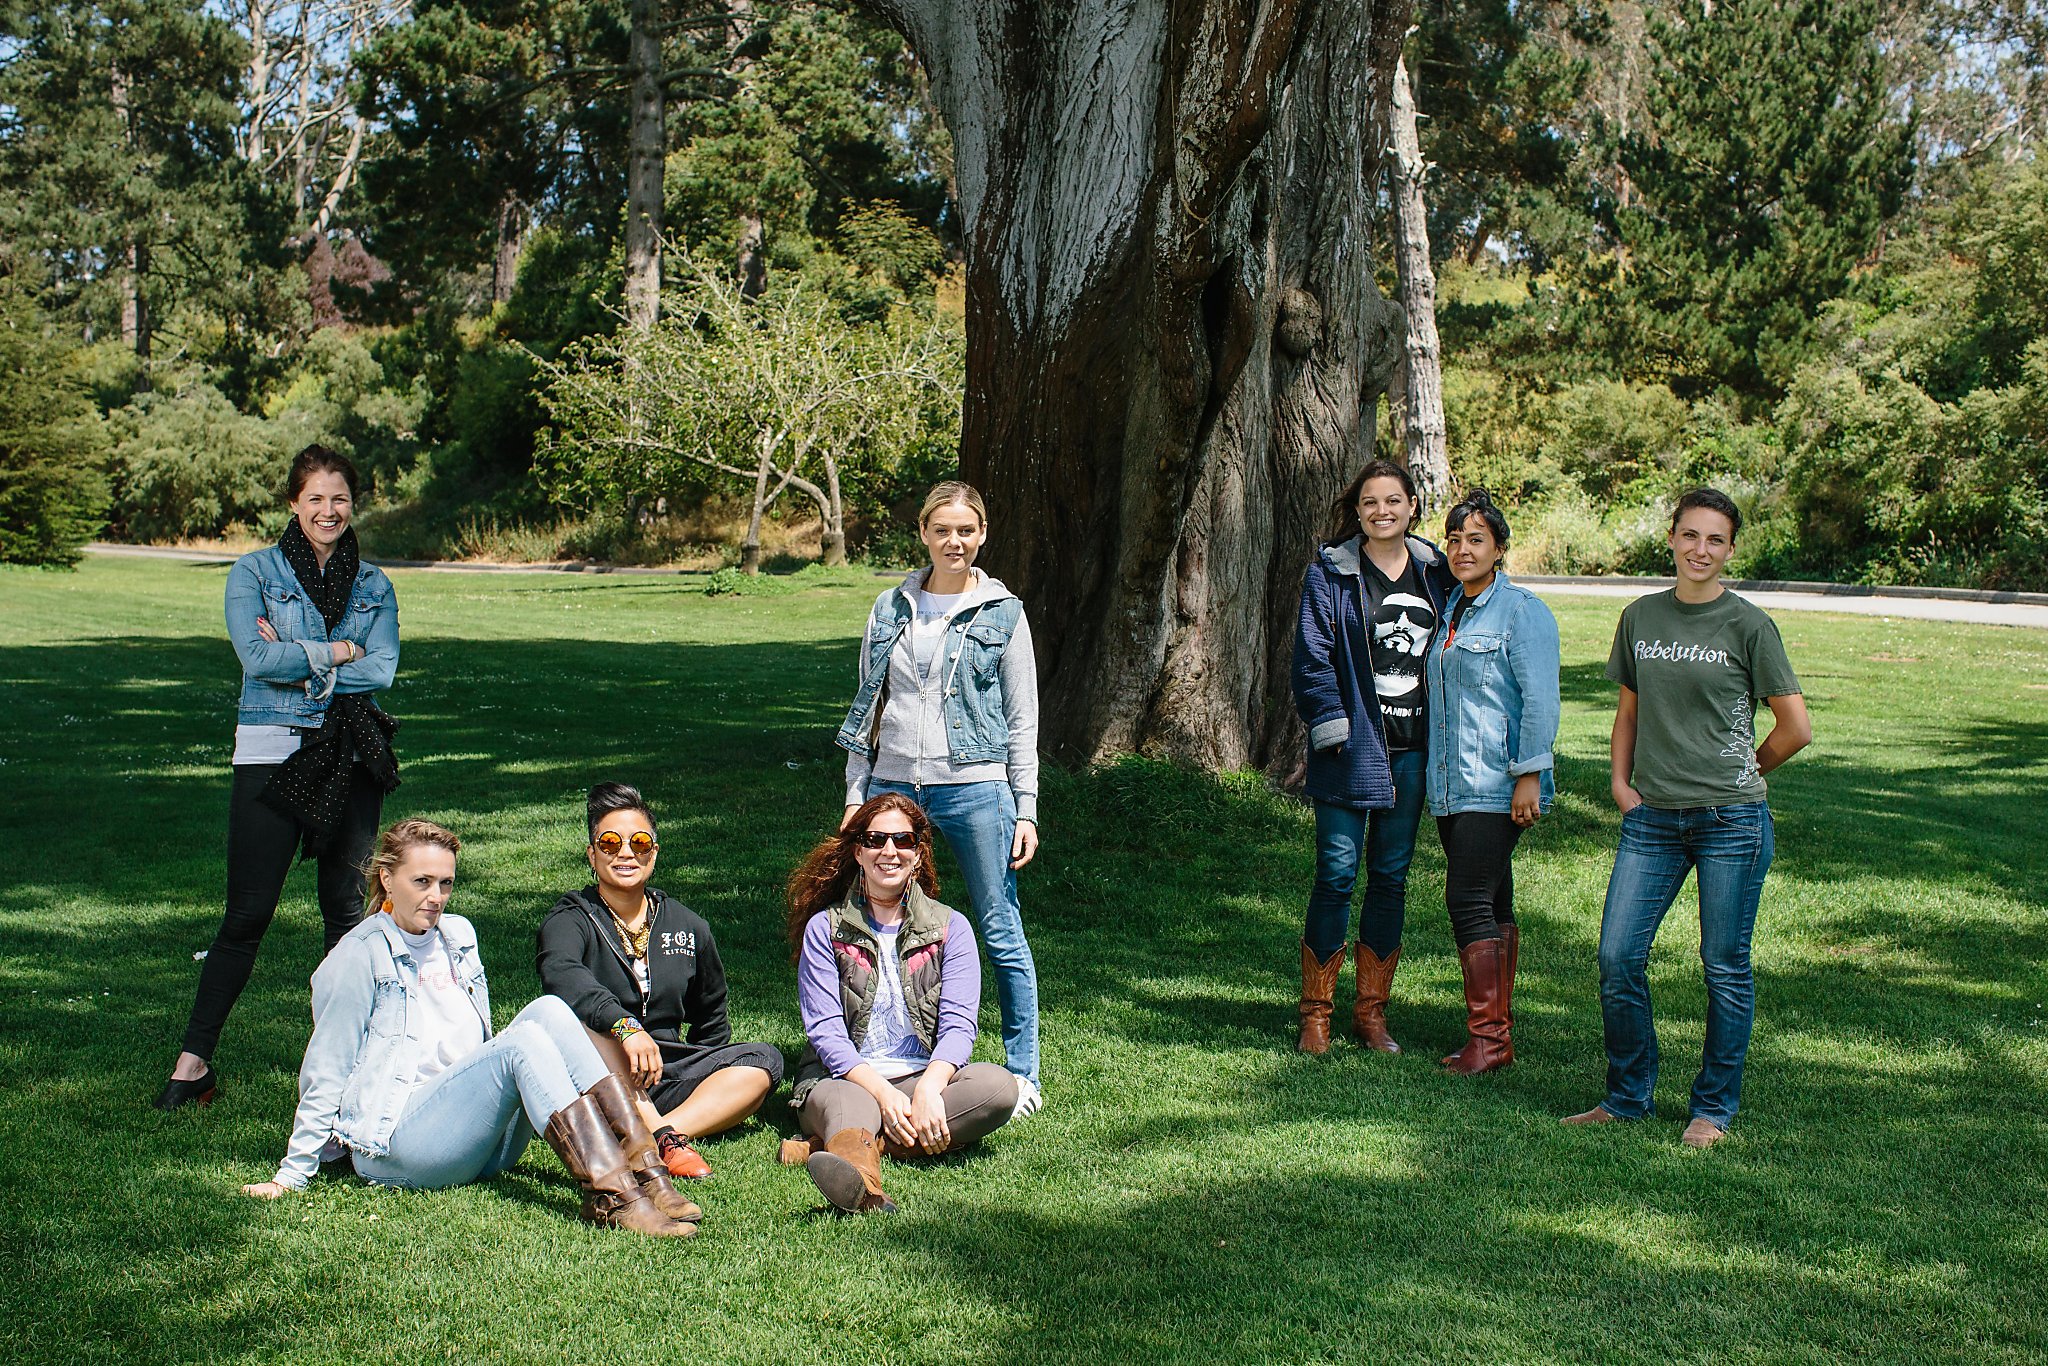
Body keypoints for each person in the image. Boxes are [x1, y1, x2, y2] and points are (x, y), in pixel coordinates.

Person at [240, 819, 700, 1237]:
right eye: (421, 882)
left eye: (445, 883)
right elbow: (326, 1070)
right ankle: (616, 1197)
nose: (435, 897)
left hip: (475, 1141)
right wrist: (292, 1174)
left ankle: (646, 1173)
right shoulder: (357, 957)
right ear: (386, 879)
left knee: (550, 1010)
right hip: (400, 1148)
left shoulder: (457, 935)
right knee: (520, 1043)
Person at [156, 445, 402, 1110]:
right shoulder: (253, 573)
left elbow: (381, 671)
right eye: (315, 498)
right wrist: (338, 650)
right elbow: (257, 659)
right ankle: (191, 1066)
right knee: (247, 914)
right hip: (269, 751)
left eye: (340, 498)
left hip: (353, 755)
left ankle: (342, 1067)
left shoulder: (375, 584)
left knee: (346, 915)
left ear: (354, 505)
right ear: (294, 503)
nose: (329, 510)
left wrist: (305, 659)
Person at [1563, 488, 1811, 1147]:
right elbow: (1628, 711)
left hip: (1732, 823)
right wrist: (1620, 783)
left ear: (1730, 550)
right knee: (1618, 956)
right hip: (1653, 819)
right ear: (1671, 538)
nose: (1701, 549)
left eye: (1716, 540)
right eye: (1691, 535)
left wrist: (1745, 771)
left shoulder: (1749, 626)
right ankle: (1626, 1097)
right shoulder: (1641, 618)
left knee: (1723, 965)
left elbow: (1796, 727)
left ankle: (1713, 1109)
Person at [836, 480, 1044, 1115]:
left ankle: (1022, 1071)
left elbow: (1022, 716)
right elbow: (868, 704)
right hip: (894, 785)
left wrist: (1026, 806)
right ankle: (879, 1052)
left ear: (981, 536)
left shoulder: (1003, 611)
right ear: (923, 534)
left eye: (966, 530)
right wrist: (857, 791)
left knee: (999, 924)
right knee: (880, 922)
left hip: (977, 788)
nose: (954, 541)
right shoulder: (890, 606)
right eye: (941, 529)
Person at [781, 793, 1020, 1214]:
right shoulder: (826, 929)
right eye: (875, 839)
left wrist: (929, 1088)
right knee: (850, 1105)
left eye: (902, 840)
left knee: (998, 1088)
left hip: (919, 1075)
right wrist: (882, 1095)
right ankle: (864, 1188)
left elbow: (959, 1025)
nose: (889, 851)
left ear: (918, 852)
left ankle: (845, 1145)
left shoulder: (952, 928)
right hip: (844, 1078)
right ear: (858, 851)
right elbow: (825, 1033)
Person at [537, 781, 784, 1182]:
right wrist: (624, 1025)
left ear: (654, 851)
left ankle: (655, 1135)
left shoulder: (688, 926)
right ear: (591, 854)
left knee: (763, 1061)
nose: (625, 853)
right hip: (592, 1069)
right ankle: (661, 1135)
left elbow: (711, 1020)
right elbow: (562, 977)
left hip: (662, 1073)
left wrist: (712, 1075)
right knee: (585, 1025)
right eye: (610, 843)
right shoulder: (569, 920)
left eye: (639, 842)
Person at [1290, 459, 1455, 1054]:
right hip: (1349, 749)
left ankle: (1371, 1014)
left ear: (1412, 505)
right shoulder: (1329, 575)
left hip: (1413, 751)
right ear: (1356, 511)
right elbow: (1312, 659)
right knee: (1335, 874)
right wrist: (1332, 728)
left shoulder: (1437, 575)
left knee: (1390, 878)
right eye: (1369, 503)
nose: (1382, 511)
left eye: (1393, 500)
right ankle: (1316, 1015)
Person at [1423, 489, 1560, 1075]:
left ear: (1500, 549)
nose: (1462, 549)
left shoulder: (1522, 611)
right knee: (1495, 902)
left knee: (1467, 899)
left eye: (1476, 539)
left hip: (1496, 784)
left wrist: (1529, 774)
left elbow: (1541, 700)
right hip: (1452, 786)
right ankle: (1496, 1038)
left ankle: (1487, 1039)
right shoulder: (1451, 607)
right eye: (1454, 539)